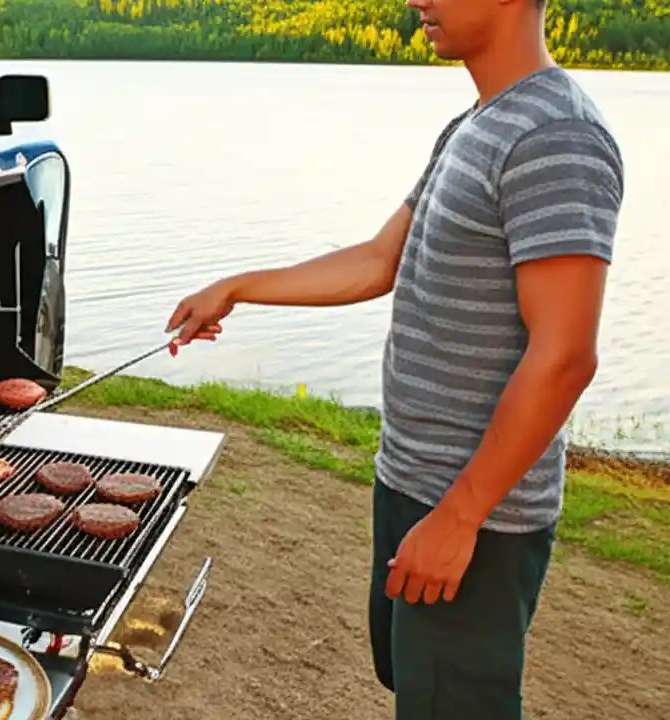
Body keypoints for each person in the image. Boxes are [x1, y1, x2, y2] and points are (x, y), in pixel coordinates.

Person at [164, 0, 624, 717]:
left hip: (475, 510)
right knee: (418, 689)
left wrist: (460, 518)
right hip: (413, 482)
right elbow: (382, 260)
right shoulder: (477, 123)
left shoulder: (556, 137)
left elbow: (565, 356)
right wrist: (238, 287)